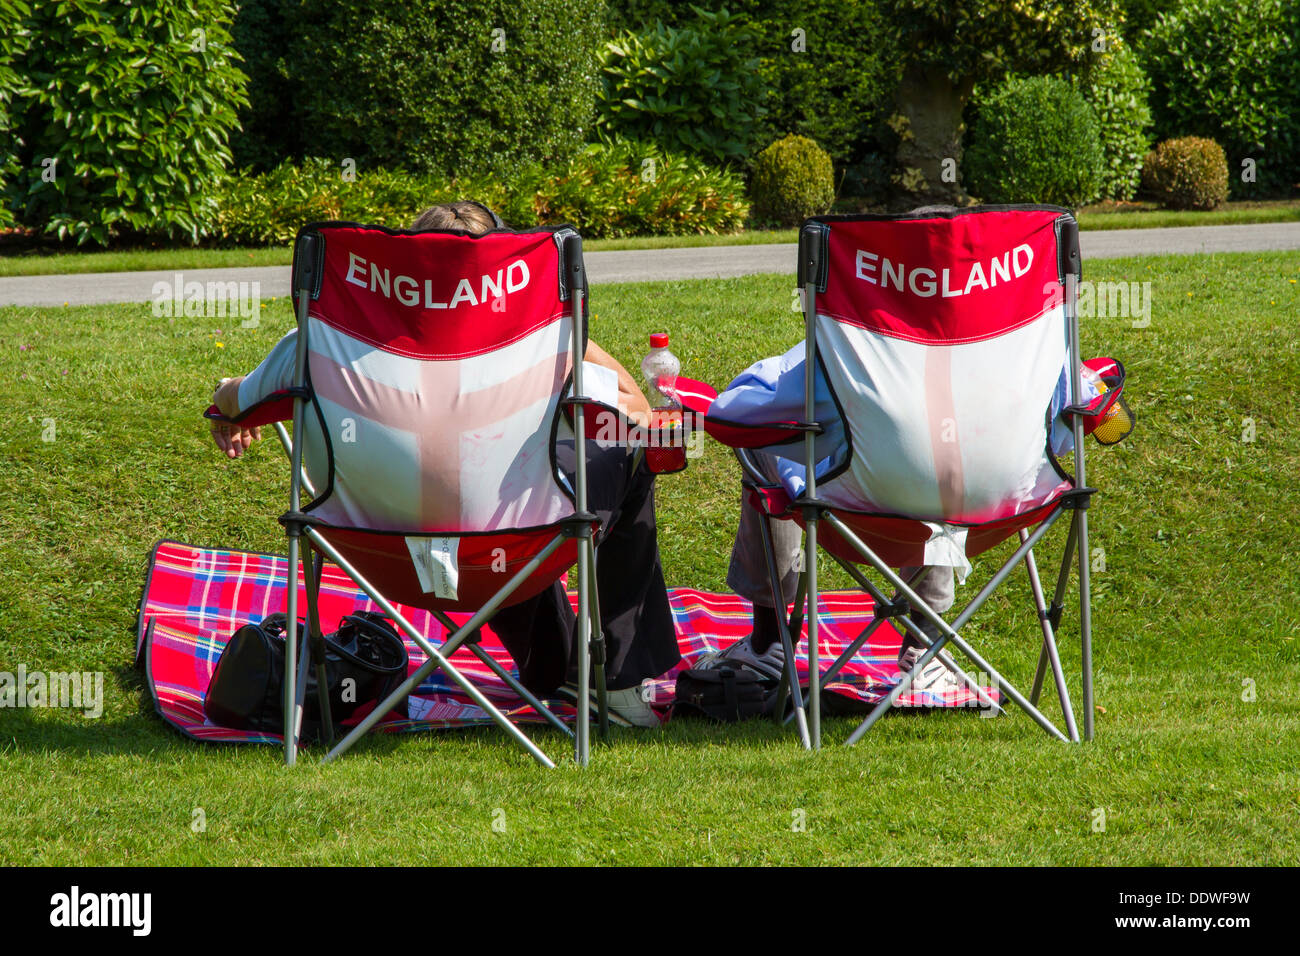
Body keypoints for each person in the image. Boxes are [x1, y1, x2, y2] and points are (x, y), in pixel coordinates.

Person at [209, 200, 680, 726]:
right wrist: (561, 329)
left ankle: (556, 666)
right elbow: (635, 413)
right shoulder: (542, 352)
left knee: (514, 488)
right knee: (587, 467)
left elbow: (235, 398)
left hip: (374, 555)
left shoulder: (320, 344)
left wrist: (226, 401)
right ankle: (613, 683)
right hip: (509, 555)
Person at [708, 204, 1098, 699]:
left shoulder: (850, 351)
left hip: (861, 516)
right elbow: (1088, 406)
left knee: (767, 453)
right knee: (949, 462)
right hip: (1003, 507)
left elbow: (734, 416)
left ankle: (770, 642)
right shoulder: (1033, 348)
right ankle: (927, 649)